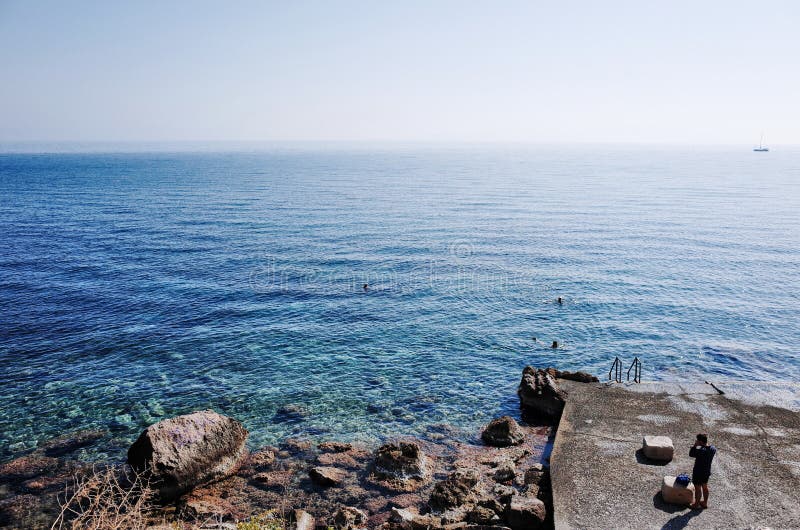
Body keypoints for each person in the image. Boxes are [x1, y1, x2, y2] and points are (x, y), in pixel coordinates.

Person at [689, 433, 716, 509]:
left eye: (697, 440)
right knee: (705, 487)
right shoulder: (713, 449)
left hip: (698, 472)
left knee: (697, 488)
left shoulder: (700, 450)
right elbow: (706, 448)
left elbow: (691, 454)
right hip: (706, 471)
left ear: (700, 441)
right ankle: (704, 503)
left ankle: (696, 504)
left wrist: (695, 446)